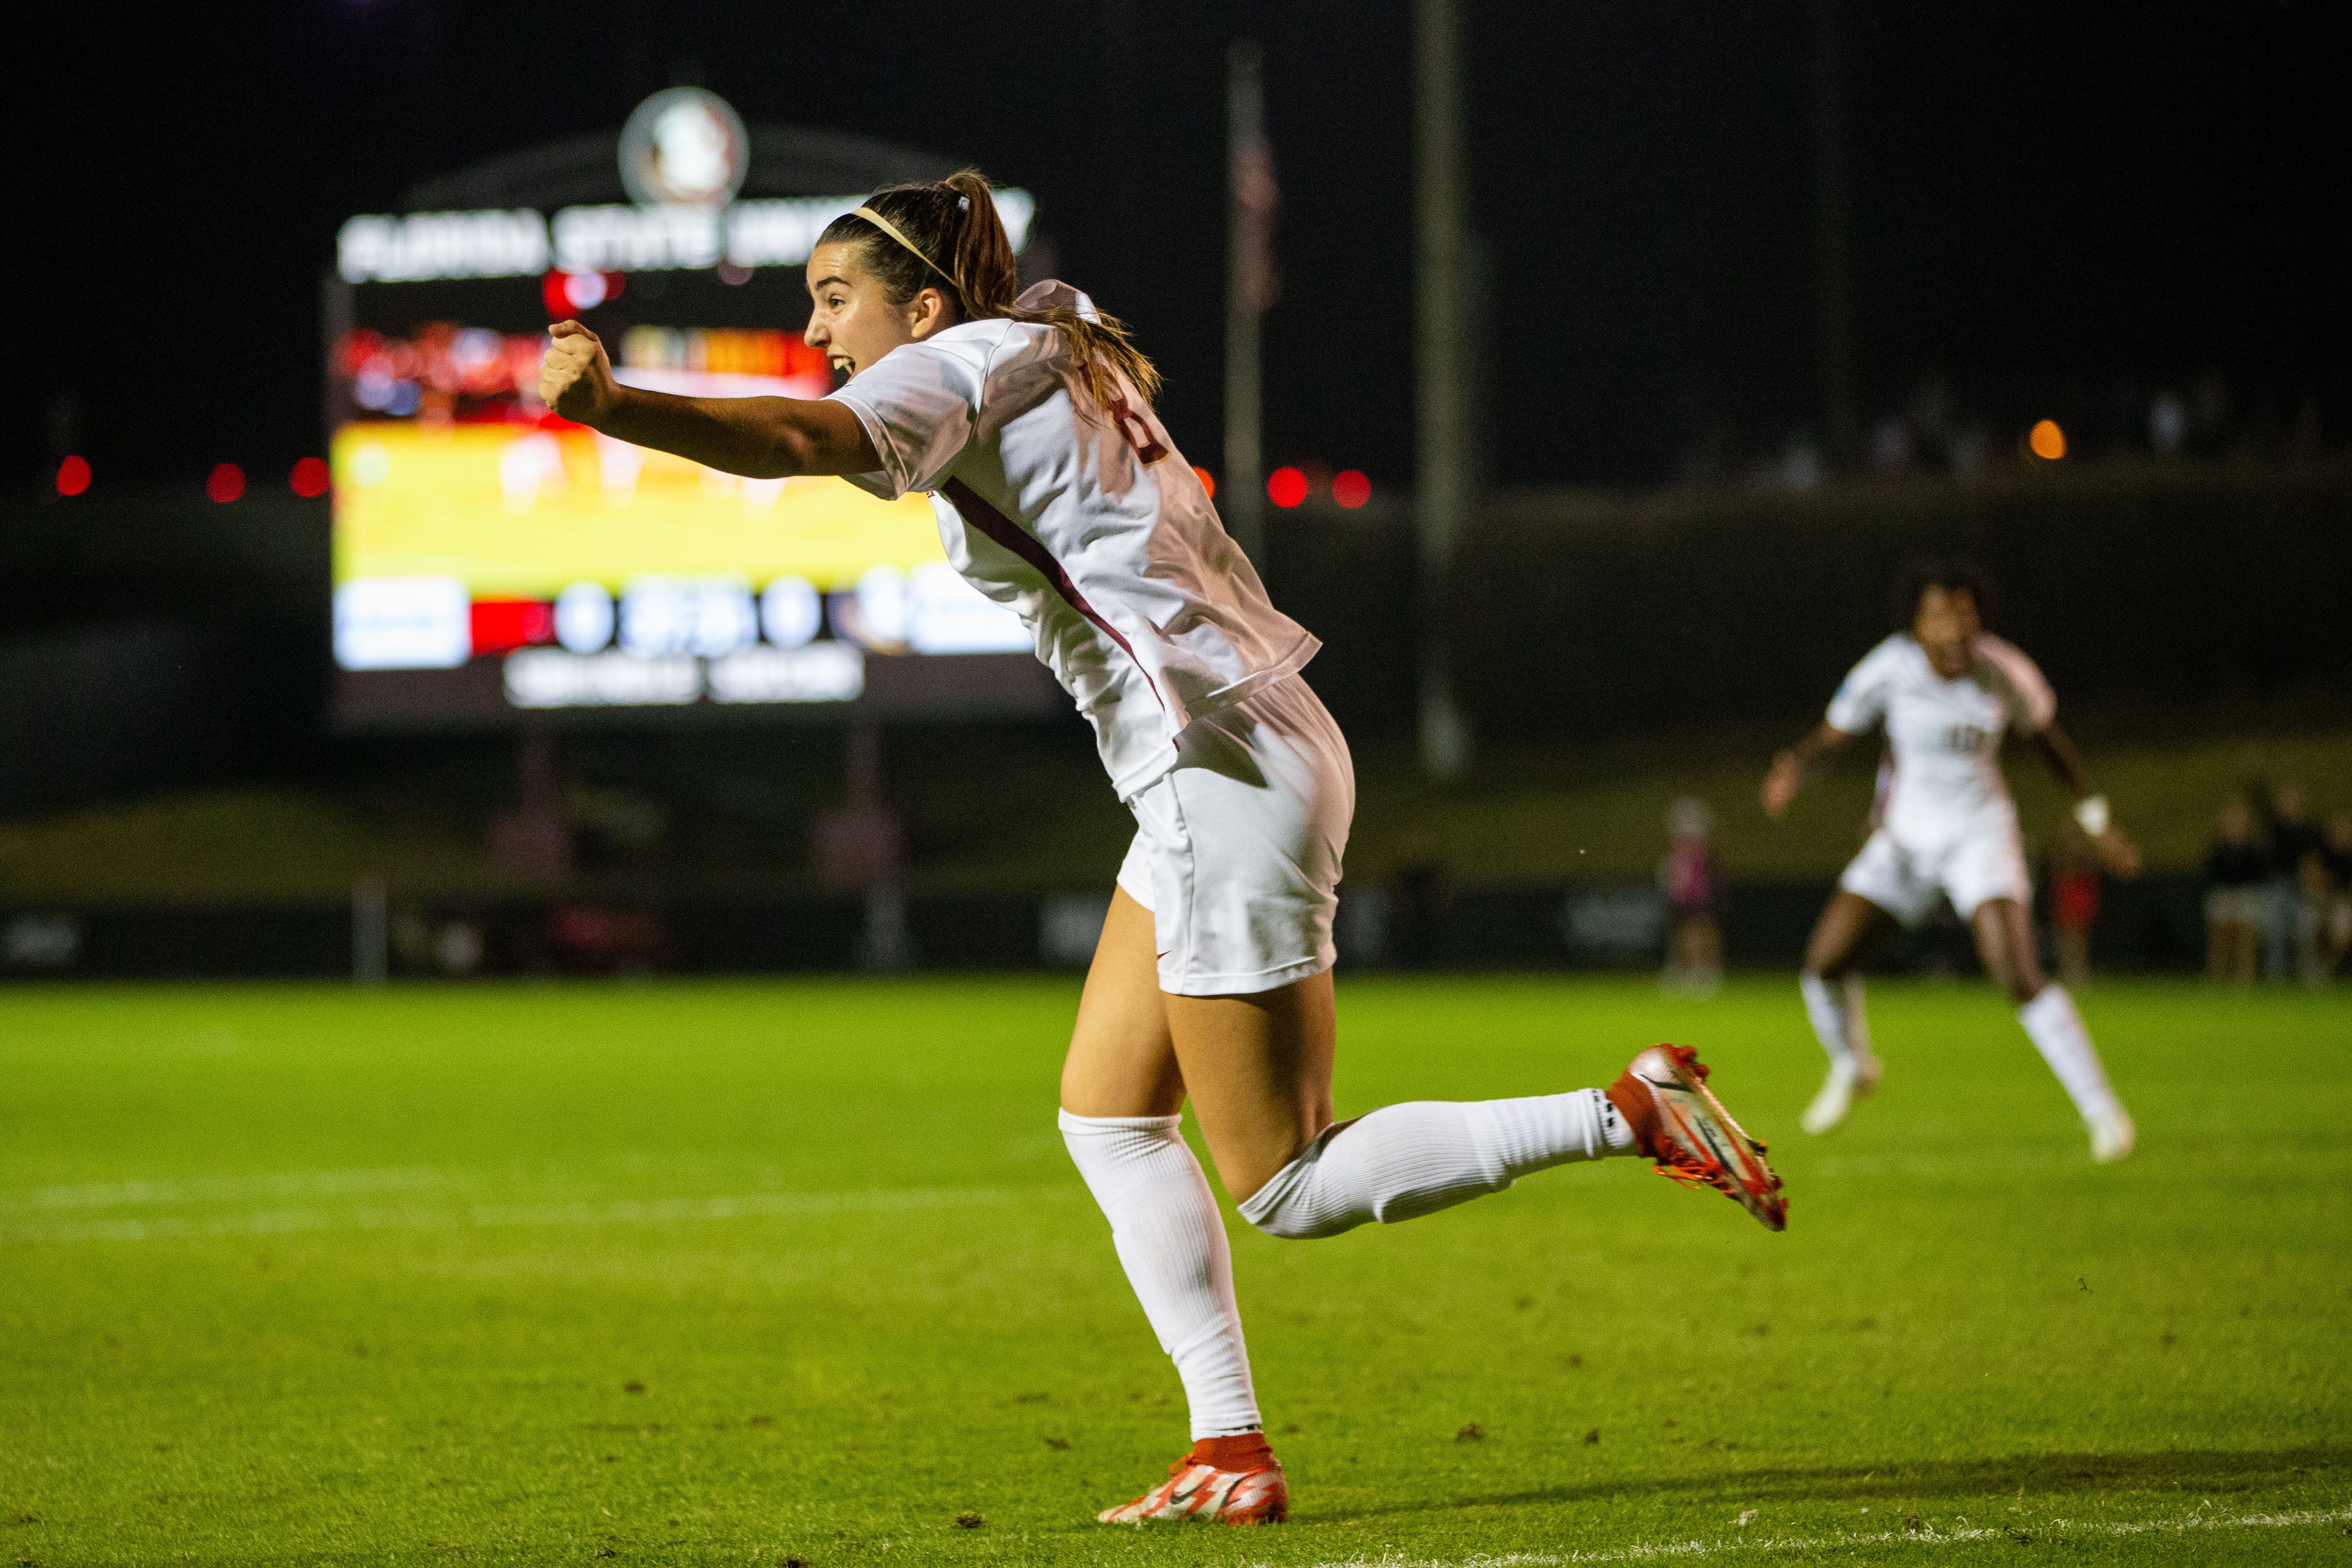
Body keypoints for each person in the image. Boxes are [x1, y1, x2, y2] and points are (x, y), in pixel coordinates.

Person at [538, 171, 1786, 1528]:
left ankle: (1627, 1113)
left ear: (928, 307)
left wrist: (617, 407)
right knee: (1108, 1115)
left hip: (1216, 772)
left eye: (837, 298)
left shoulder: (962, 361)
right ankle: (1228, 1446)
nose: (819, 329)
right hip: (1250, 745)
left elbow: (798, 435)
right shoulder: (1045, 341)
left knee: (1286, 1179)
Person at [1760, 561, 2143, 1161]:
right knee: (1824, 964)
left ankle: (2104, 1112)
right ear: (1915, 624)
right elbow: (1837, 730)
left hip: (1979, 836)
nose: (1955, 628)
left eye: (1966, 614)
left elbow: (2051, 746)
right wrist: (1795, 770)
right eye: (1940, 615)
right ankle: (1853, 1067)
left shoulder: (2005, 671)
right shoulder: (1890, 667)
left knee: (2016, 971)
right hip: (1905, 841)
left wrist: (2099, 824)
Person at [1658, 796, 1724, 995]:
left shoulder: (1700, 856)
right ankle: (1685, 969)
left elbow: (1700, 876)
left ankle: (1702, 971)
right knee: (1683, 931)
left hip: (1697, 895)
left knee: (1699, 930)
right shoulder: (1678, 854)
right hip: (1684, 896)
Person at [2202, 800, 2267, 984]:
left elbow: (2258, 876)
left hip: (2245, 896)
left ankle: (2244, 982)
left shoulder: (2252, 850)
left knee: (2246, 941)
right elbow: (2212, 876)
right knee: (2219, 942)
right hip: (2223, 895)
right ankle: (2216, 979)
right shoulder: (2217, 849)